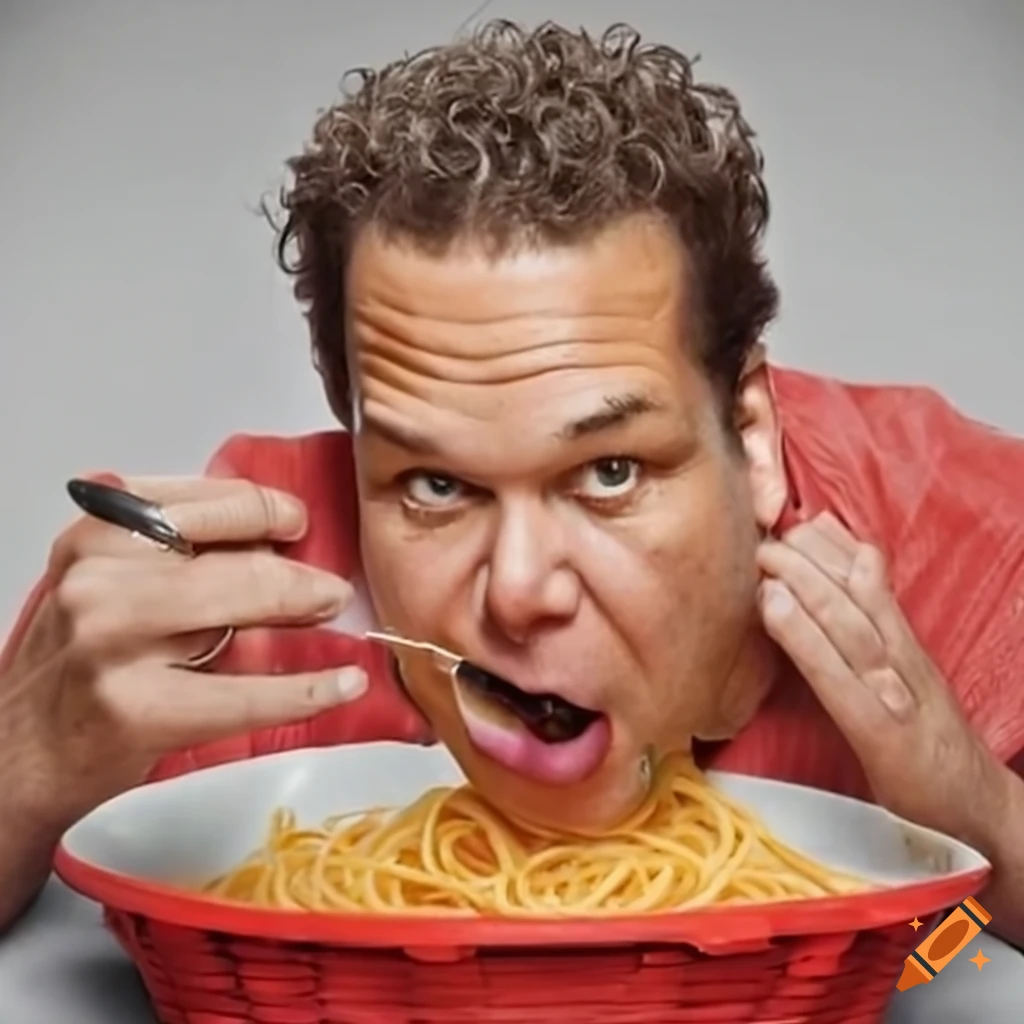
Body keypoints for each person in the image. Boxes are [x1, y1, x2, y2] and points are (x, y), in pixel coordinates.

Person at [1, 20, 1023, 940]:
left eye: (609, 471)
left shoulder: (958, 532)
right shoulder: (225, 601)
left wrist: (979, 809)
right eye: (435, 485)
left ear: (749, 436)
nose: (521, 590)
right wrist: (22, 772)